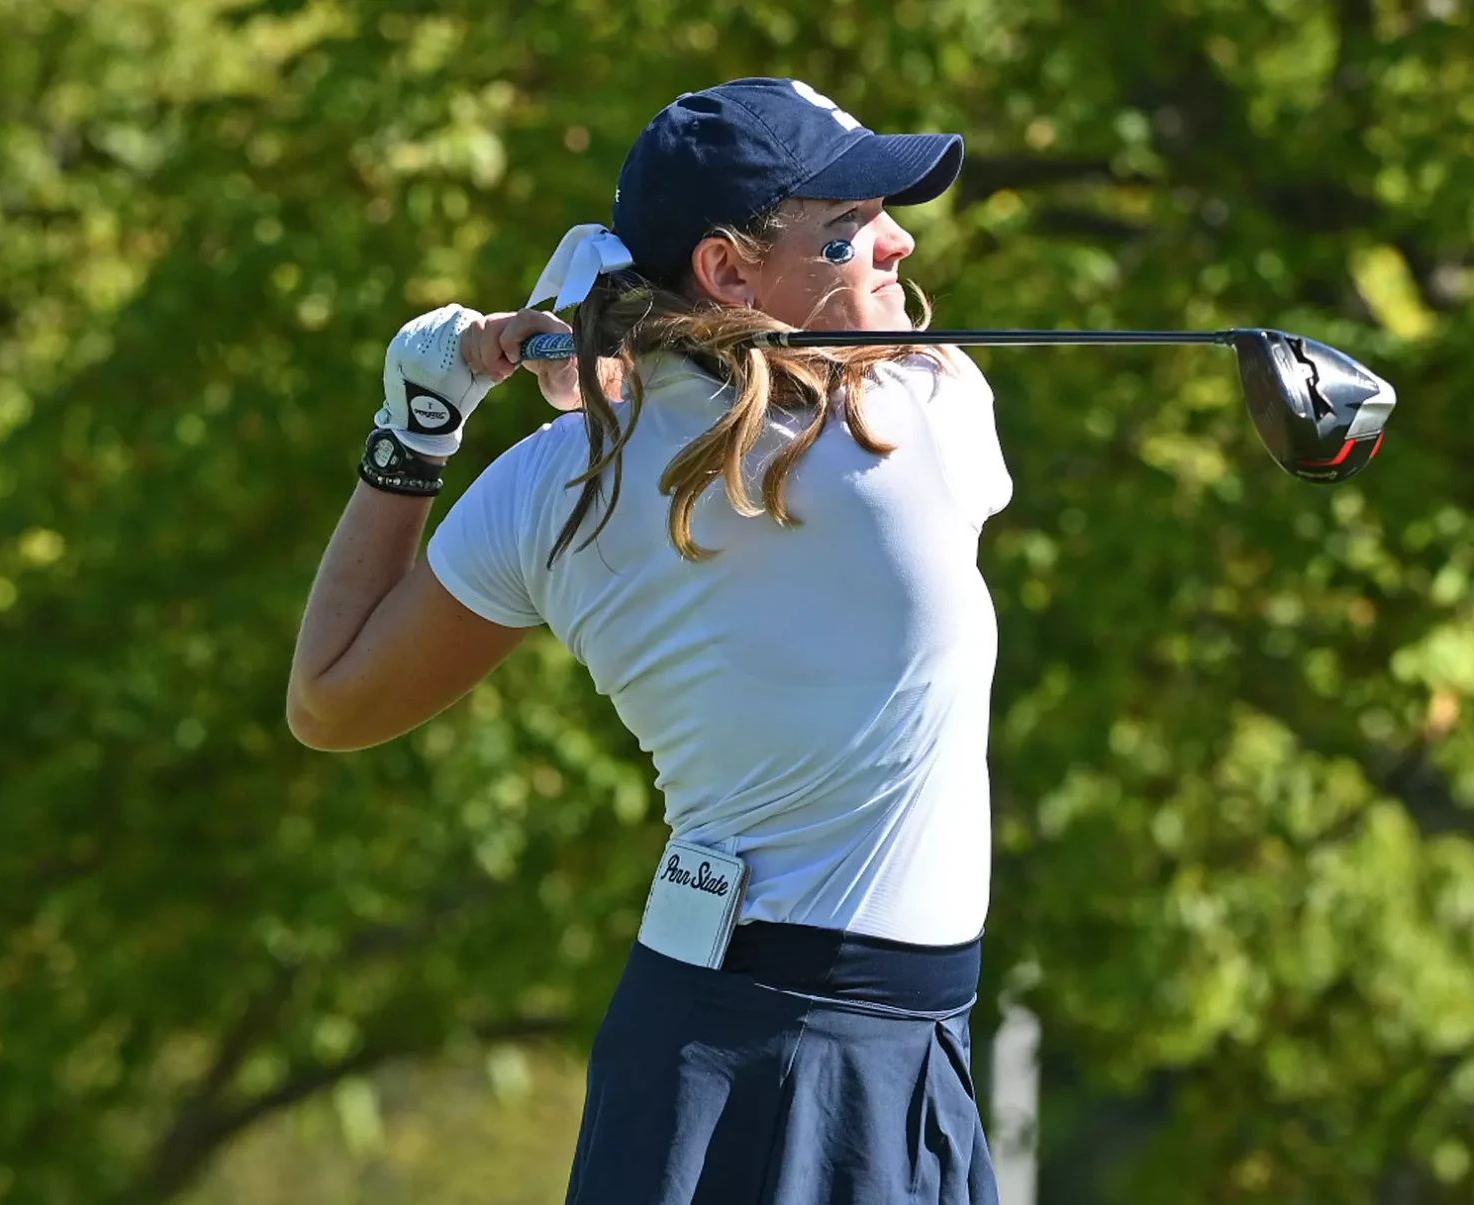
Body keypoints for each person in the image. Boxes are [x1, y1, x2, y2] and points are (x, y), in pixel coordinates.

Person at [286, 76, 1011, 1204]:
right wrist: (594, 324)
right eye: (850, 230)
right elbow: (838, 372)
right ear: (727, 270)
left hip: (693, 1044)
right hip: (856, 1050)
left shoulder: (555, 487)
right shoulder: (922, 427)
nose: (900, 242)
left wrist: (422, 421)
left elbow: (328, 700)